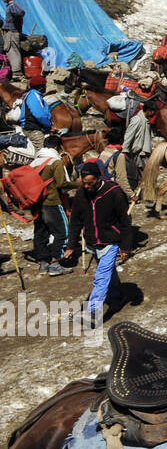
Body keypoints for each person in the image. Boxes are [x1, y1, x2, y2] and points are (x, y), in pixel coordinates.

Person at [61, 163, 133, 323]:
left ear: (98, 178)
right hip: (92, 241)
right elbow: (75, 222)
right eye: (84, 183)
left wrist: (126, 246)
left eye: (90, 183)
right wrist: (71, 245)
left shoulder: (114, 193)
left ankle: (93, 311)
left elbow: (125, 221)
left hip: (110, 241)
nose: (86, 186)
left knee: (101, 277)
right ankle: (117, 296)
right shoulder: (81, 194)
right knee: (108, 274)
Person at [28, 136, 72, 275]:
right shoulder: (55, 162)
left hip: (36, 204)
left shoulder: (33, 163)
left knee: (40, 233)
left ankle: (43, 263)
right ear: (56, 147)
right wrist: (79, 184)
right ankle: (55, 263)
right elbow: (62, 184)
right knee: (62, 232)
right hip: (52, 202)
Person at [2, 0, 25, 78]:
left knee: (13, 51)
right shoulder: (10, 6)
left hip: (12, 32)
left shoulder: (12, 5)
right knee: (10, 50)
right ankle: (13, 70)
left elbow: (21, 12)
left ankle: (16, 72)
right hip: (11, 32)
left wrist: (14, 22)